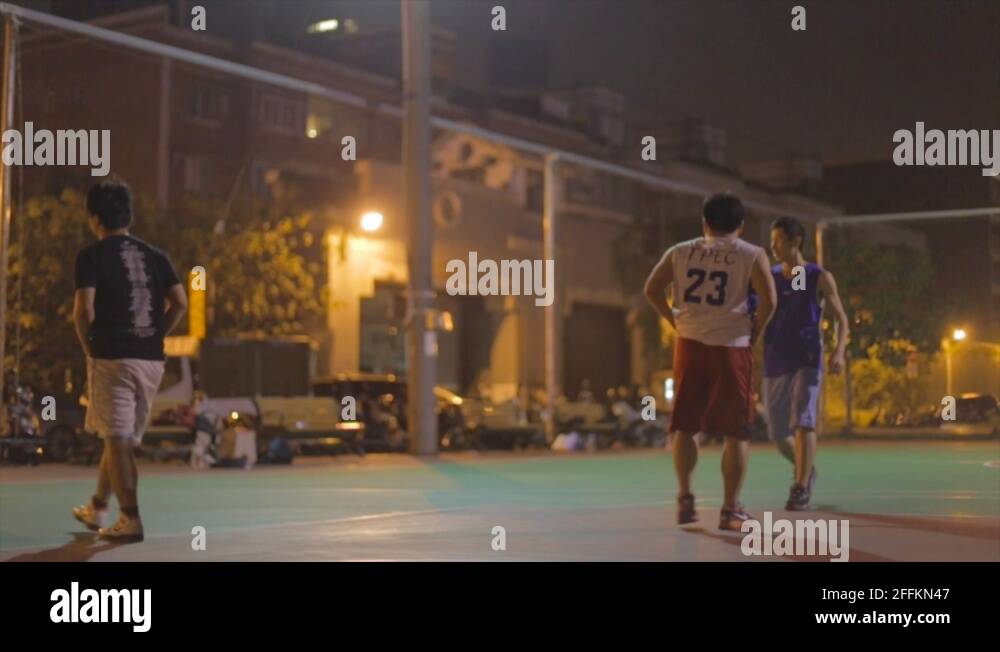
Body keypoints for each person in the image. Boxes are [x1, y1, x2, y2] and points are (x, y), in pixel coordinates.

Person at [644, 193, 777, 530]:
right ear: (741, 225)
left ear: (704, 222)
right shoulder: (750, 254)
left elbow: (651, 289)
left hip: (689, 344)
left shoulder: (680, 251)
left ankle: (686, 499)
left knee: (685, 425)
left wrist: (674, 319)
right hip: (732, 345)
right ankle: (730, 509)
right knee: (737, 431)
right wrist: (754, 334)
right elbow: (770, 301)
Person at [71, 179, 187, 542]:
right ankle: (97, 506)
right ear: (128, 215)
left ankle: (131, 518)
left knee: (117, 438)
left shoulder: (91, 256)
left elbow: (83, 309)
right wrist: (155, 335)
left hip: (112, 357)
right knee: (116, 436)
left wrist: (90, 347)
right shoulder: (157, 255)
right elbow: (180, 303)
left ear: (94, 218)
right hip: (151, 361)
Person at [763, 216, 849, 510]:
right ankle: (807, 469)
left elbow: (842, 319)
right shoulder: (769, 276)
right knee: (777, 435)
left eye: (778, 241)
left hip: (807, 359)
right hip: (775, 360)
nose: (773, 246)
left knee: (803, 420)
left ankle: (800, 486)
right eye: (772, 241)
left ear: (795, 241)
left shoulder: (817, 276)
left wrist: (838, 352)